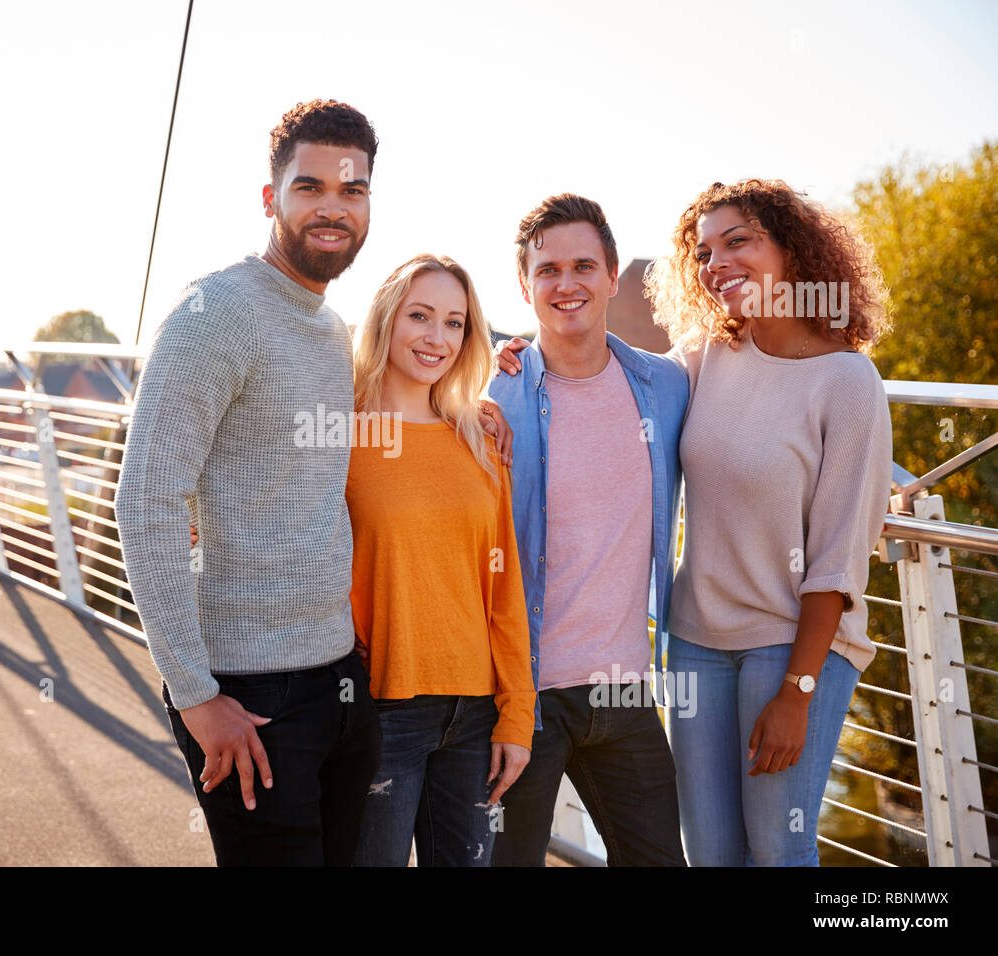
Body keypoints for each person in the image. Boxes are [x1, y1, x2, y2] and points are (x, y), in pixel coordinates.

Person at [113, 99, 383, 866]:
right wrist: (195, 695)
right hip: (247, 697)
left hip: (339, 679)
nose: (332, 208)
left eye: (352, 190)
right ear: (272, 198)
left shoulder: (334, 331)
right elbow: (145, 500)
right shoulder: (214, 312)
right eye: (310, 188)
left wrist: (487, 403)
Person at [643, 178, 893, 866]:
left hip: (792, 647)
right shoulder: (705, 357)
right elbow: (613, 389)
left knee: (778, 851)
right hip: (694, 642)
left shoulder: (847, 382)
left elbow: (839, 561)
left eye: (738, 241)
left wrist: (796, 691)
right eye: (703, 252)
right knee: (713, 855)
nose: (716, 262)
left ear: (792, 249)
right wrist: (516, 369)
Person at [489, 193, 689, 867]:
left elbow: (770, 409)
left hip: (625, 690)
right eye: (548, 270)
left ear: (609, 275)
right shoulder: (492, 395)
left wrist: (887, 471)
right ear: (524, 284)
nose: (566, 284)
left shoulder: (664, 386)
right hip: (523, 697)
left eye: (583, 266)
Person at [346, 254, 534, 867]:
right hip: (380, 709)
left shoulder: (481, 441)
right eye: (419, 316)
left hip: (474, 716)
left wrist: (517, 715)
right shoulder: (338, 433)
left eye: (454, 323)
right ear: (385, 319)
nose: (436, 337)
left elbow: (503, 592)